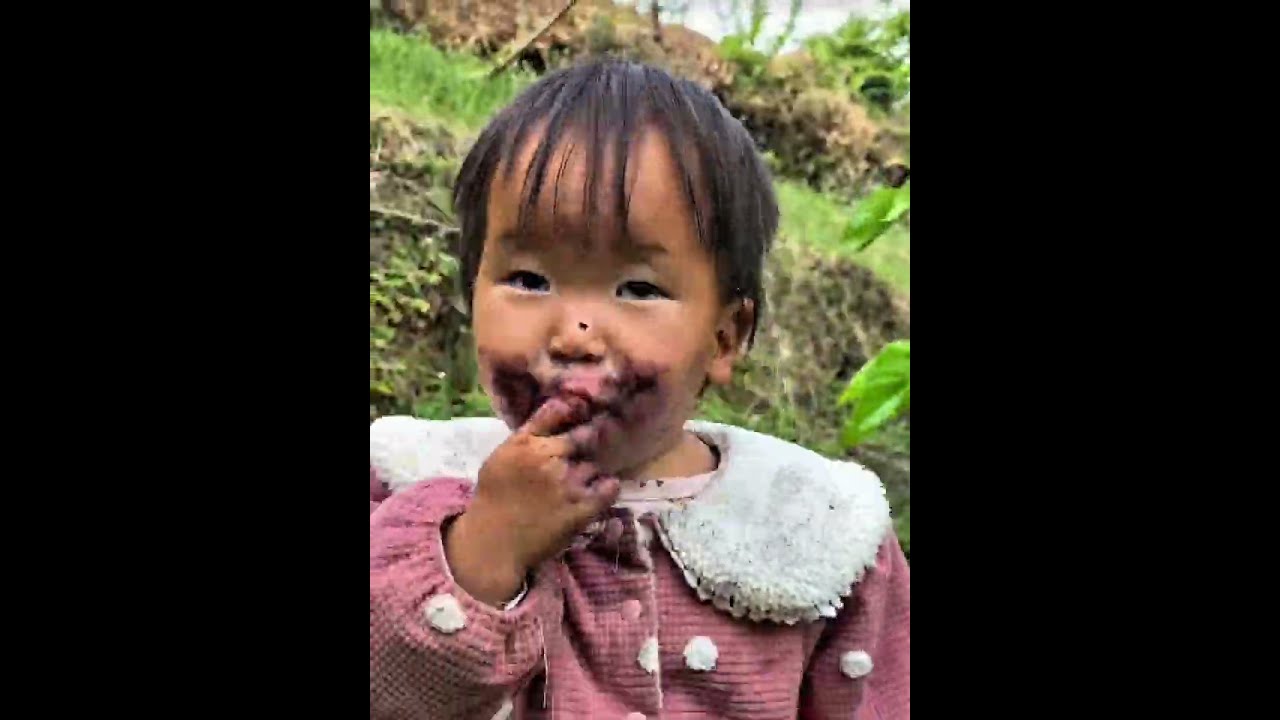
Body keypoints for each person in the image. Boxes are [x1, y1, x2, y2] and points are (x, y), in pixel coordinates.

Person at [370, 59, 909, 719]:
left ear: (725, 336)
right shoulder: (407, 491)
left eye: (640, 289)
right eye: (529, 279)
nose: (574, 334)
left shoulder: (815, 531)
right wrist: (483, 549)